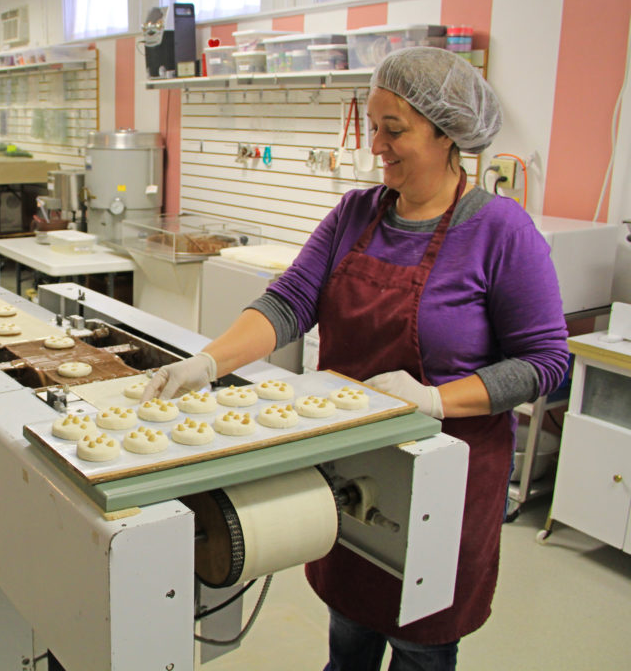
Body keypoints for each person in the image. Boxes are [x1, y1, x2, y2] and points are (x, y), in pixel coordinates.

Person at [142, 46, 569, 670]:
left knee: (423, 645)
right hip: (353, 463)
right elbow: (288, 303)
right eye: (373, 127)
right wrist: (207, 362)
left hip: (446, 480)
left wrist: (433, 400)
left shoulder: (501, 232)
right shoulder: (356, 214)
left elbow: (543, 362)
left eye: (394, 130)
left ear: (446, 132)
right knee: (349, 637)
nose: (377, 145)